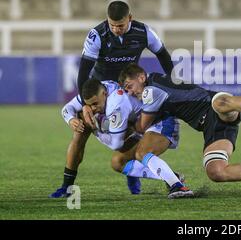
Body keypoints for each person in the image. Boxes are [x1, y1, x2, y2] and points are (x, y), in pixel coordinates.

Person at [50, 0, 176, 197]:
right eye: (112, 25)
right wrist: (85, 105)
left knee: (133, 131)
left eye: (121, 25)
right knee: (80, 134)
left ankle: (131, 168)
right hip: (101, 92)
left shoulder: (144, 32)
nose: (116, 29)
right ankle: (66, 186)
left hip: (127, 90)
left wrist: (173, 81)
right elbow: (83, 73)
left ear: (130, 19)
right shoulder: (97, 35)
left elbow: (164, 56)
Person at [118, 63, 241, 196]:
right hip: (212, 127)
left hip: (210, 103)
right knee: (216, 172)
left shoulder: (150, 91)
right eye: (126, 89)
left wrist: (122, 125)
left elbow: (142, 126)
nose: (130, 92)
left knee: (220, 104)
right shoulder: (156, 80)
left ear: (141, 77)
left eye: (129, 86)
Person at [59, 79, 193, 199]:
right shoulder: (101, 88)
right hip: (141, 126)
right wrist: (71, 119)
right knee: (118, 162)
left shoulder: (115, 105)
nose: (93, 109)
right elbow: (67, 108)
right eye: (89, 105)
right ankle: (172, 177)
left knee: (142, 153)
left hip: (160, 121)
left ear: (104, 94)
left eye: (95, 104)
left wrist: (96, 130)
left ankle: (179, 187)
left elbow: (116, 144)